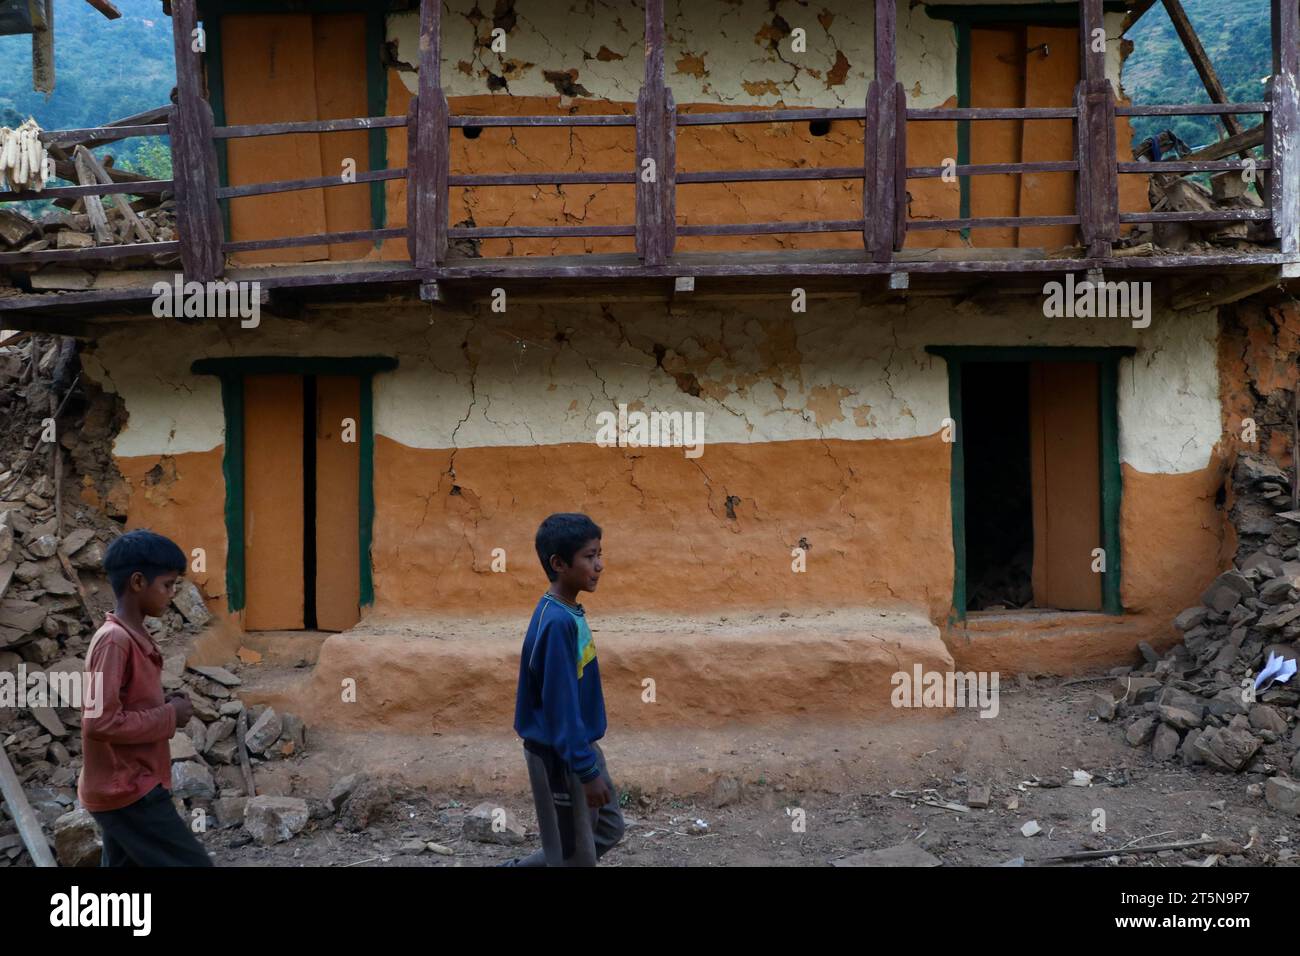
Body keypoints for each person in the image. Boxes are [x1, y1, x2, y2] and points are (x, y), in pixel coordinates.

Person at [78, 529, 213, 866]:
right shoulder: (113, 641)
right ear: (138, 582)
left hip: (128, 785)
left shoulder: (134, 636)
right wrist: (169, 715)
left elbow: (123, 706)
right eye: (167, 585)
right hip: (127, 790)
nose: (171, 594)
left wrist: (162, 702)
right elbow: (99, 722)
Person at [505, 513, 624, 866]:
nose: (599, 565)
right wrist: (586, 771)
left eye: (599, 554)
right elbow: (560, 706)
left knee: (608, 829)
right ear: (559, 563)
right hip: (560, 757)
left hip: (579, 746)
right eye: (589, 556)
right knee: (574, 853)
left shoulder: (569, 611)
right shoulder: (556, 622)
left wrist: (587, 759)